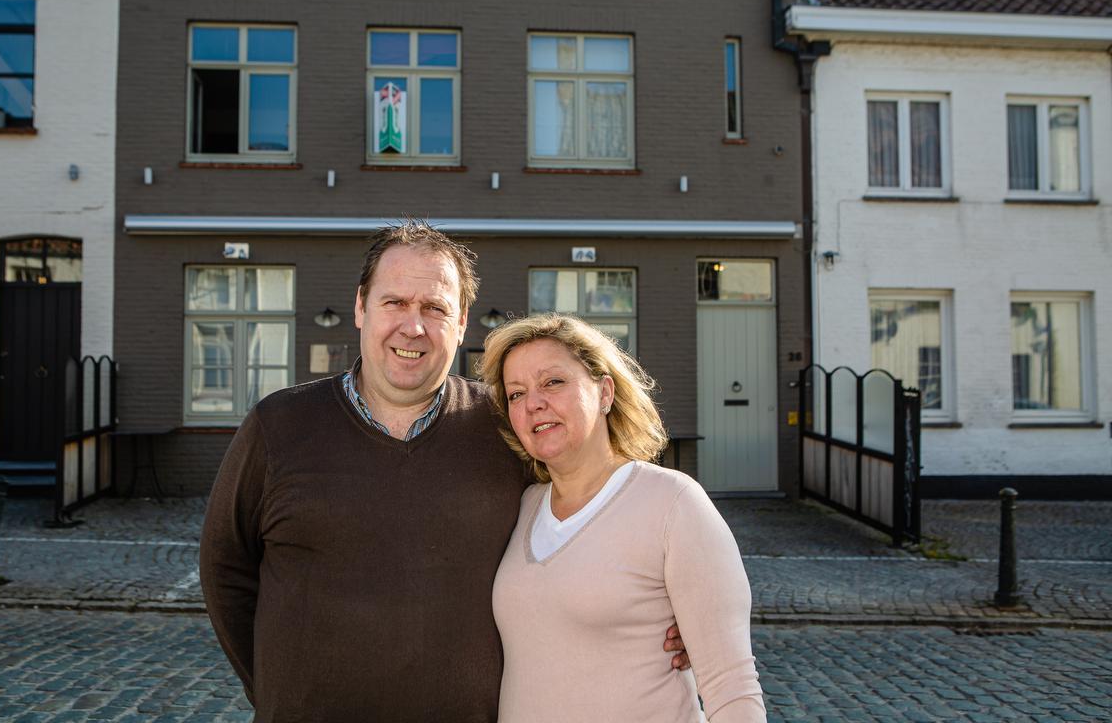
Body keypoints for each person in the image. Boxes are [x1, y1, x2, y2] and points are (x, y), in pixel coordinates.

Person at [200, 221, 687, 722]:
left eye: (435, 308)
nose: (413, 327)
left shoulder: (508, 428)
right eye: (395, 303)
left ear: (460, 326)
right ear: (361, 307)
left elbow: (589, 521)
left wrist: (669, 610)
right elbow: (225, 569)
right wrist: (278, 688)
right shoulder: (279, 426)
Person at [481, 313, 766, 722]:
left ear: (604, 392)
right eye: (516, 394)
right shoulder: (523, 506)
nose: (534, 404)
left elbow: (732, 689)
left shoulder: (672, 502)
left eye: (553, 382)